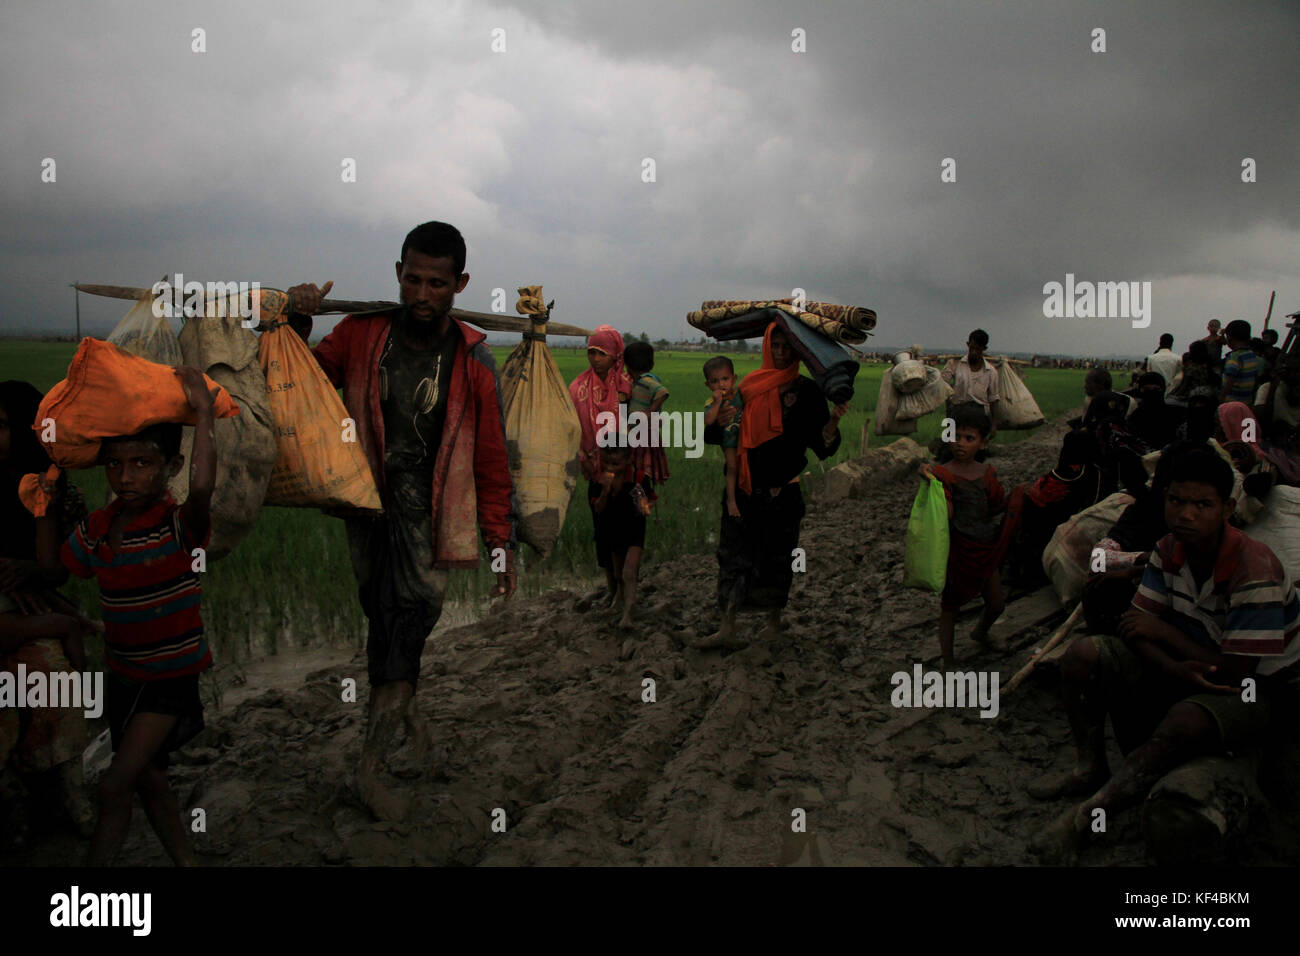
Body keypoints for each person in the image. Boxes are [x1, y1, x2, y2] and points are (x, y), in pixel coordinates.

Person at [286, 221, 518, 822]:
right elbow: (301, 382)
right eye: (412, 278)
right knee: (384, 631)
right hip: (367, 510)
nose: (421, 293)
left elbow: (491, 458)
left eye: (436, 283)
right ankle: (412, 730)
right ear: (397, 273)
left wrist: (500, 542)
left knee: (405, 631)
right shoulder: (362, 335)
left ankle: (365, 774)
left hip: (432, 521)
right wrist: (295, 320)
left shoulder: (473, 358)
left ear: (459, 284)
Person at [1029, 444, 1299, 862]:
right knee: (1083, 655)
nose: (1186, 514)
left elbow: (1235, 673)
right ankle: (1090, 767)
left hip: (1259, 686)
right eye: (1176, 500)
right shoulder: (1168, 549)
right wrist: (1174, 665)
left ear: (1227, 508)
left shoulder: (1254, 569)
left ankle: (1089, 814)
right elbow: (1133, 629)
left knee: (1186, 718)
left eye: (1202, 504)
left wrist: (1166, 640)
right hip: (1199, 664)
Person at [37, 368, 217, 866]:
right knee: (149, 778)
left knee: (115, 784)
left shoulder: (177, 526)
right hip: (124, 675)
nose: (126, 476)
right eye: (115, 465)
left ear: (172, 466)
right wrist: (45, 508)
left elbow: (202, 491)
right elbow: (56, 570)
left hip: (168, 678)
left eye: (142, 463)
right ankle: (185, 860)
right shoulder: (97, 528)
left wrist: (204, 413)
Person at [698, 324, 847, 649]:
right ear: (766, 347)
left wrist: (832, 425)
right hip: (742, 492)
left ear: (798, 350)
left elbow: (822, 447)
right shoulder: (748, 387)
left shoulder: (807, 393)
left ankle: (773, 624)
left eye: (787, 346)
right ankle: (727, 626)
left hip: (783, 495)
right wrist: (718, 422)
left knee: (778, 559)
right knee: (733, 558)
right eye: (774, 345)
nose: (780, 353)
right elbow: (712, 433)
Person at [0, 381, 100, 844]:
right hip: (15, 615)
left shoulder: (51, 486)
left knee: (54, 682)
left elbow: (59, 570)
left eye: (1, 426)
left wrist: (34, 573)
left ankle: (64, 794)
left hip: (31, 609)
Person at [918, 404, 1009, 670]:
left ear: (982, 443)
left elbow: (996, 504)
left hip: (985, 546)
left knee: (996, 603)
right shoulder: (944, 474)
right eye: (956, 436)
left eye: (969, 438)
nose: (961, 443)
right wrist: (930, 482)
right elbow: (944, 513)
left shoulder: (986, 473)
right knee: (950, 609)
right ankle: (948, 661)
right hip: (958, 551)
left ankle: (980, 631)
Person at [571, 324, 636, 607]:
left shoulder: (628, 385)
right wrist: (582, 457)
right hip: (595, 471)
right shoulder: (578, 388)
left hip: (627, 473)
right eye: (591, 352)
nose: (595, 358)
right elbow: (573, 428)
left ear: (614, 354)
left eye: (601, 353)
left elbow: (641, 424)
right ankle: (611, 588)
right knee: (603, 533)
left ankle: (625, 589)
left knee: (626, 533)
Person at [589, 444, 649, 628]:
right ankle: (622, 603)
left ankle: (629, 613)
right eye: (606, 462)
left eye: (615, 463)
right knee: (618, 573)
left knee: (629, 572)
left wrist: (643, 505)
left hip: (634, 531)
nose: (610, 467)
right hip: (613, 531)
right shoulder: (598, 481)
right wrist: (606, 491)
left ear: (628, 460)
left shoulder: (638, 478)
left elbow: (646, 508)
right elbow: (598, 508)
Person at [623, 340, 670, 489]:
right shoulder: (640, 381)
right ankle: (643, 494)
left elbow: (663, 392)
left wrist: (649, 412)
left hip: (643, 432)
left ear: (627, 365)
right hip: (643, 430)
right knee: (640, 469)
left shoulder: (646, 381)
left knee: (640, 469)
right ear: (652, 364)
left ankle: (642, 496)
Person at [702, 356, 744, 518]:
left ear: (734, 379)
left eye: (725, 379)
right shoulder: (711, 402)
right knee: (732, 467)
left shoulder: (741, 393)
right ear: (708, 385)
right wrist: (718, 403)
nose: (721, 384)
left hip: (744, 438)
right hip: (729, 441)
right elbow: (708, 420)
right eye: (715, 381)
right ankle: (731, 501)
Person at [941, 329, 1000, 441]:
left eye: (977, 349)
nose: (973, 352)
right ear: (968, 345)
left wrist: (994, 425)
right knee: (950, 447)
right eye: (971, 348)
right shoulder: (955, 364)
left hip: (979, 415)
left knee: (974, 449)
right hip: (956, 412)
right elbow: (942, 384)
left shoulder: (991, 371)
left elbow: (993, 400)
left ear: (984, 349)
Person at [1219, 319, 1263, 405]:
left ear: (1230, 338)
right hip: (1247, 400)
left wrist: (1222, 396)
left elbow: (1230, 379)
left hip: (1231, 400)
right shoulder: (1251, 355)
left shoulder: (1234, 356)